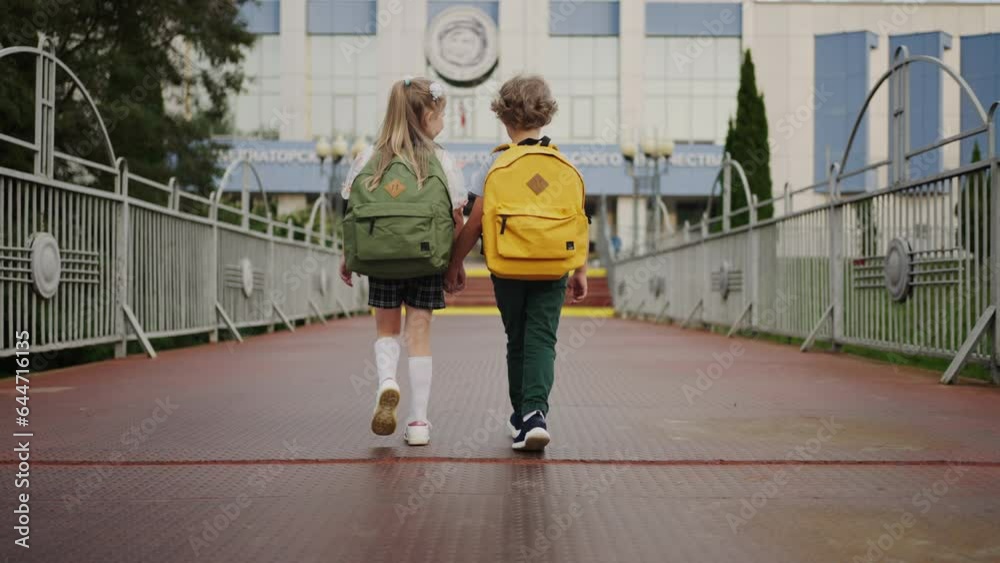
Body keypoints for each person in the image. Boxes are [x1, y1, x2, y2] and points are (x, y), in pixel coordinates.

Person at [446, 75, 588, 451]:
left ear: (504, 118)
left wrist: (453, 264)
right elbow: (578, 220)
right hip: (555, 265)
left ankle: (522, 416)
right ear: (547, 115)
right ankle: (534, 413)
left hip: (507, 265)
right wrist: (581, 269)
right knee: (542, 336)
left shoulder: (495, 163)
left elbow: (475, 222)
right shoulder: (562, 162)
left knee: (517, 338)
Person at [339, 77, 468, 446]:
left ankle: (387, 382)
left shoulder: (369, 157)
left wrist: (348, 257)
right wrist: (454, 263)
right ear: (427, 115)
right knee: (420, 335)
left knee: (386, 331)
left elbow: (352, 213)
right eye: (440, 114)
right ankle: (419, 424)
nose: (442, 122)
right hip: (427, 259)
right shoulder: (440, 159)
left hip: (380, 259)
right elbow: (456, 216)